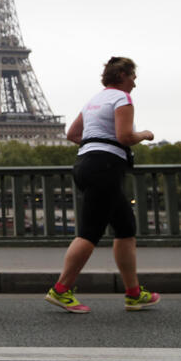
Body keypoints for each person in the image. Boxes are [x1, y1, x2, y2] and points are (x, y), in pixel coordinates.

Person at [45, 57, 160, 313]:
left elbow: (73, 134)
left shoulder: (94, 100)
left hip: (86, 164)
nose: (135, 83)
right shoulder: (122, 99)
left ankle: (133, 293)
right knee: (90, 232)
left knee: (125, 227)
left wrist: (96, 144)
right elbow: (125, 136)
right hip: (105, 168)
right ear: (122, 75)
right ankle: (61, 289)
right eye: (132, 77)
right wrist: (146, 134)